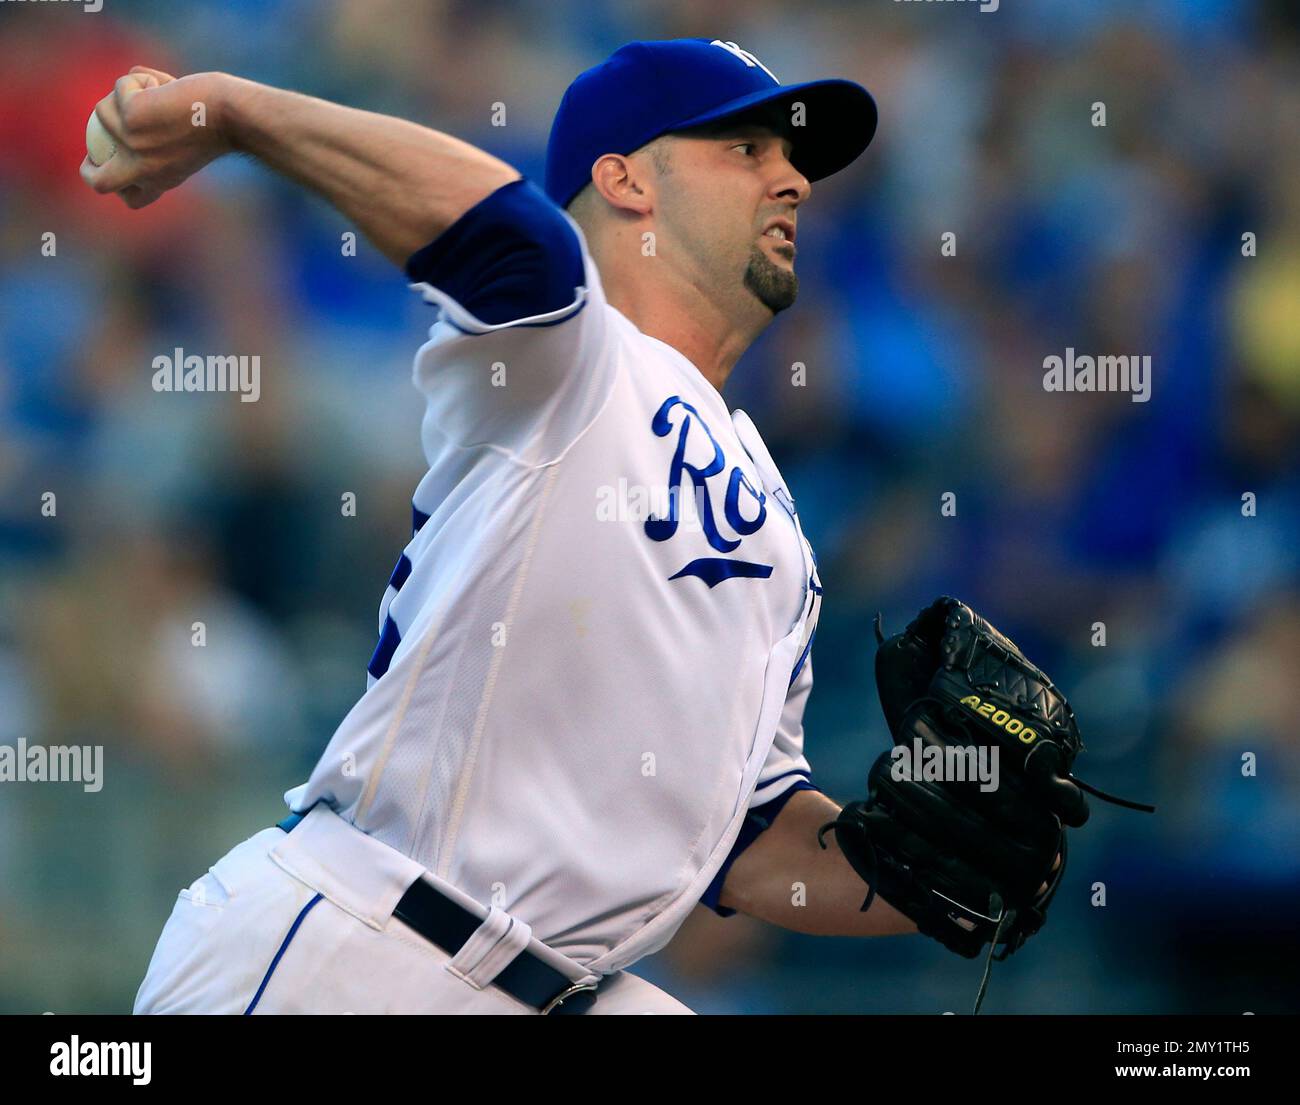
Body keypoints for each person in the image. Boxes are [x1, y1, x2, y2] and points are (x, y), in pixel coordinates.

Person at [89, 38, 926, 1015]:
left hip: (562, 984)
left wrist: (919, 877)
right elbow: (506, 236)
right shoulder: (570, 357)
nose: (793, 180)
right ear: (623, 180)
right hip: (363, 949)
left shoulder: (776, 516)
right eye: (747, 149)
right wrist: (233, 110)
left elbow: (745, 837)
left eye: (793, 161)